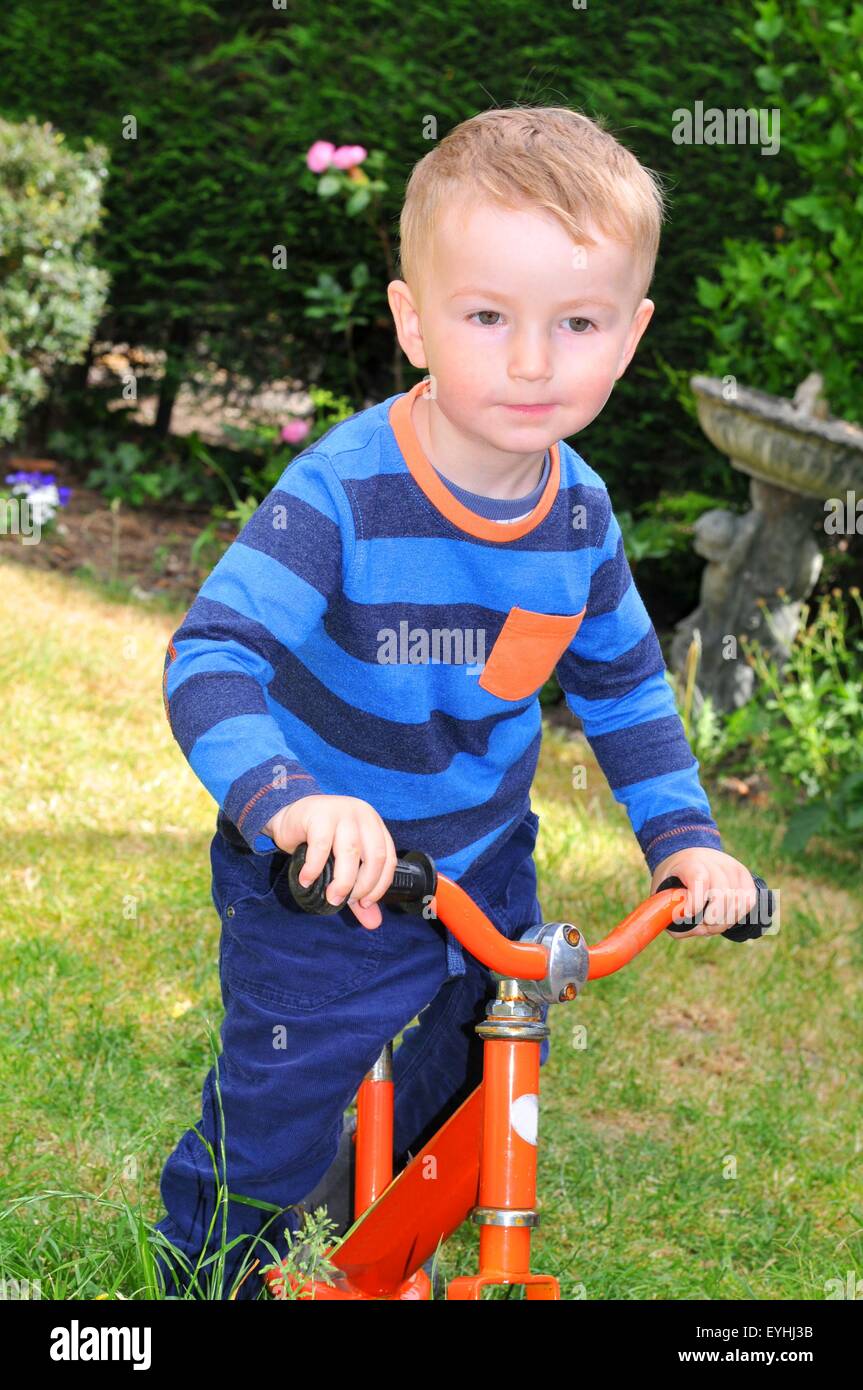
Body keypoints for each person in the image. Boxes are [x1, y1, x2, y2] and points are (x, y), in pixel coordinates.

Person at [152, 105, 758, 1299]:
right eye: (487, 317)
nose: (532, 361)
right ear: (412, 319)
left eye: (575, 323)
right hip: (324, 879)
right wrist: (291, 799)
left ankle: (374, 1233)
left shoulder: (577, 517)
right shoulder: (341, 490)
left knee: (481, 1091)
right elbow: (210, 654)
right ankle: (204, 1272)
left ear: (627, 338)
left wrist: (684, 840)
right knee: (278, 1110)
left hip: (483, 863)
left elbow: (624, 687)